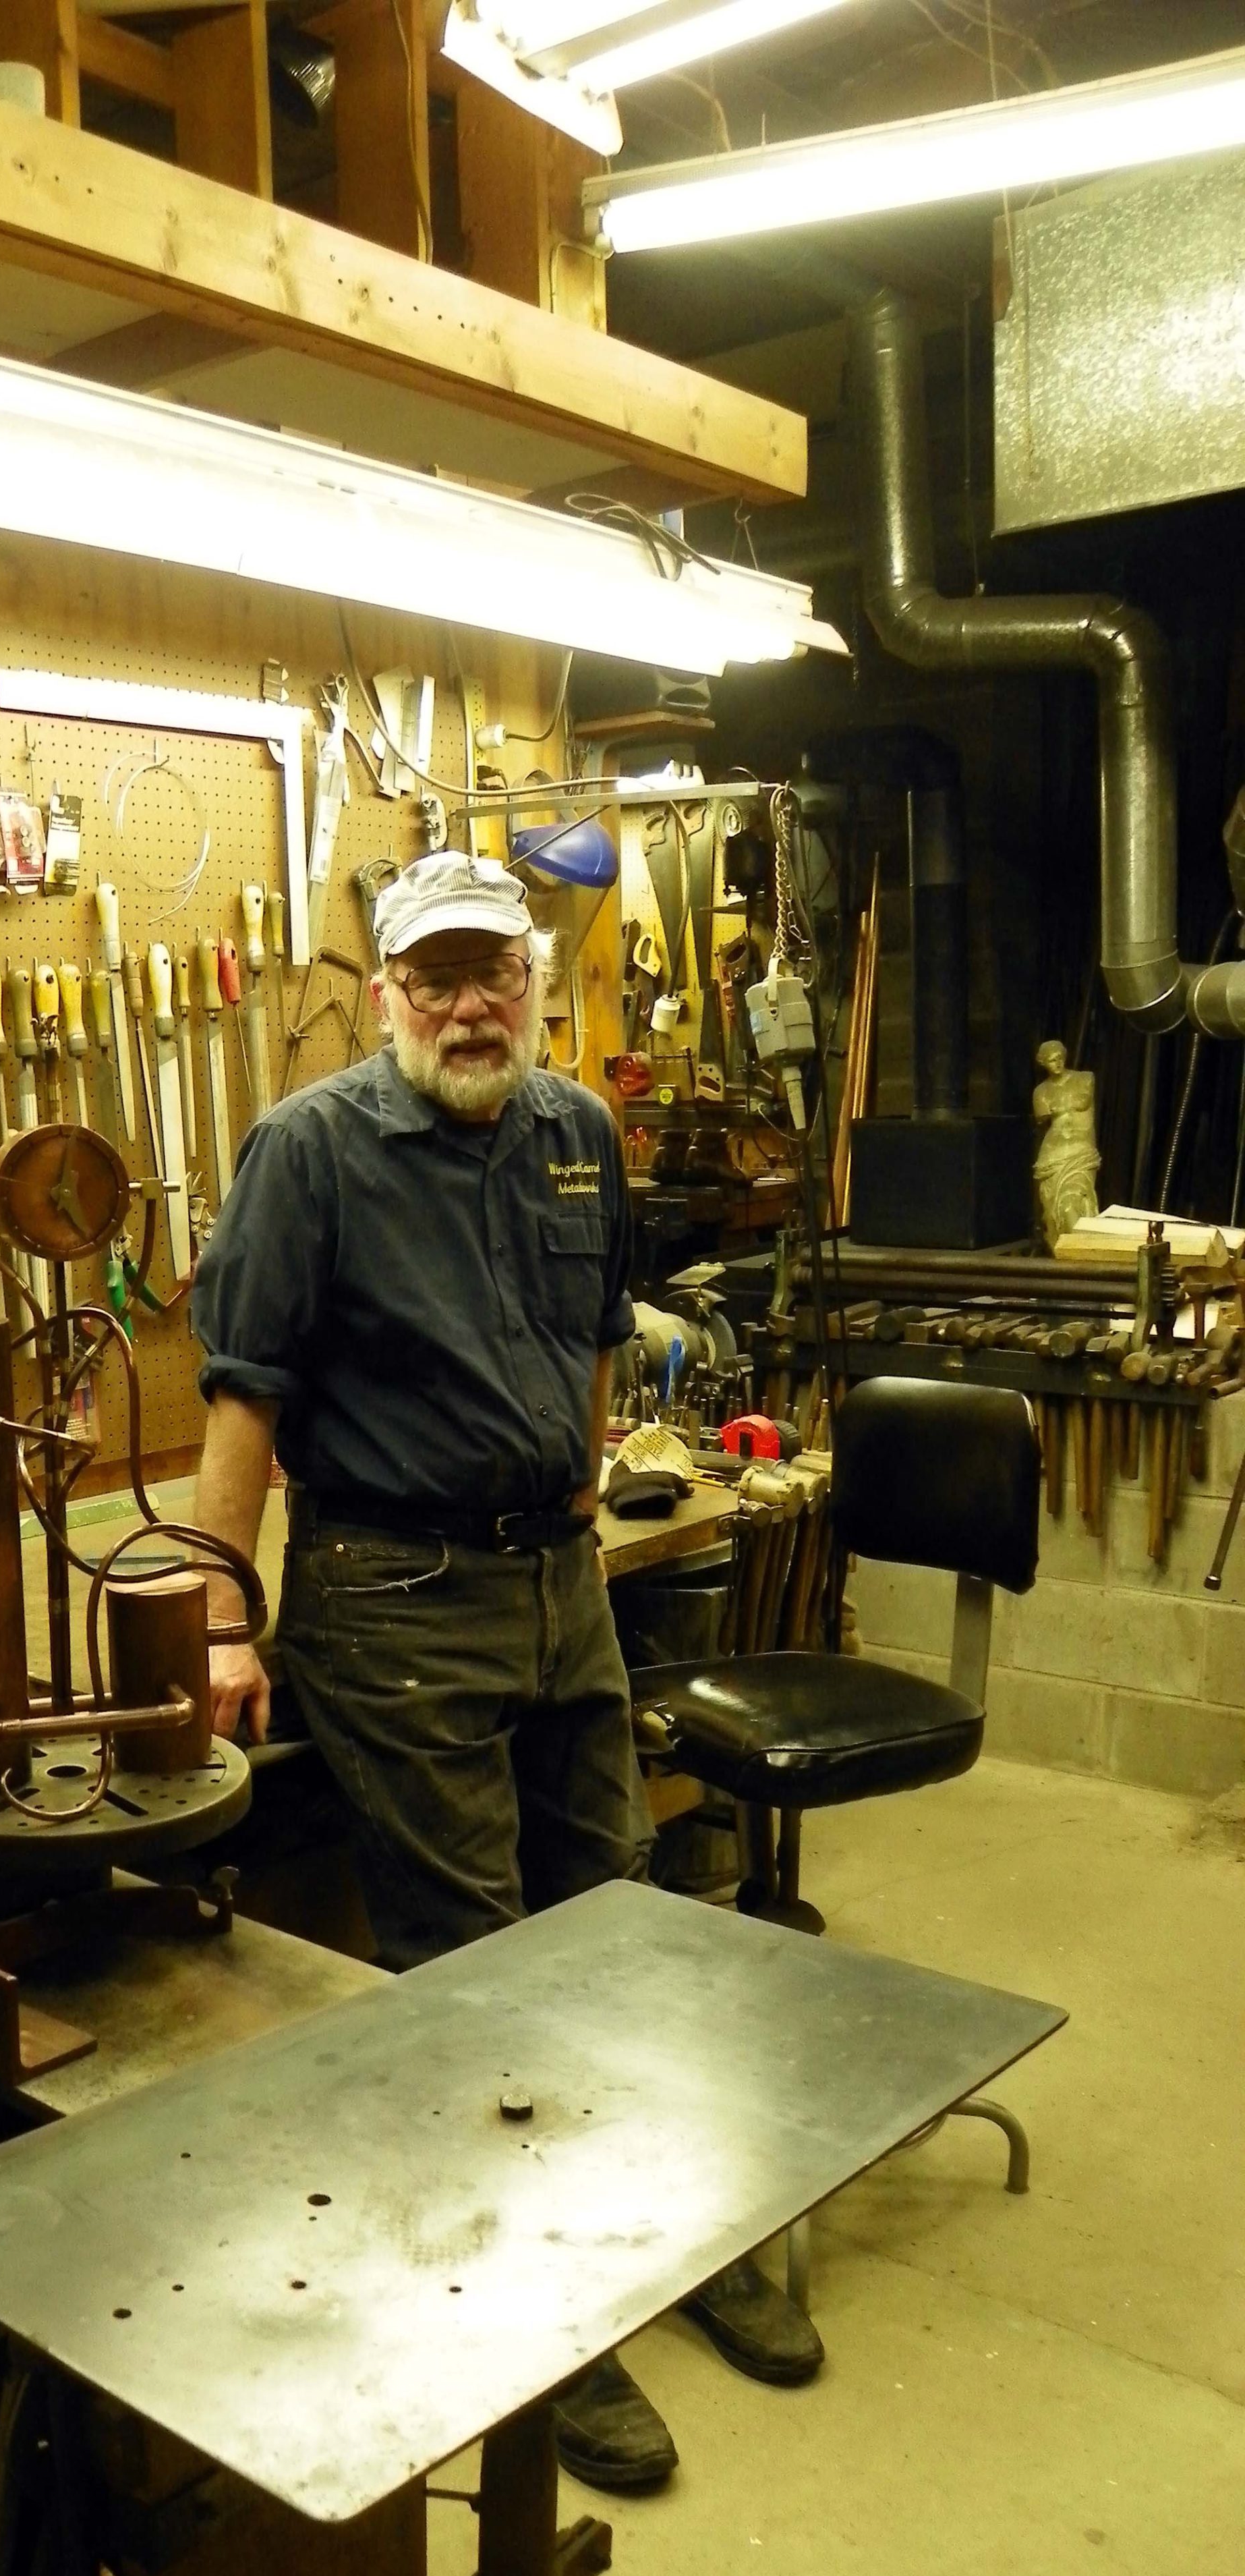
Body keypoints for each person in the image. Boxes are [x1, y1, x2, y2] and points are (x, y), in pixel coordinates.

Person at [188, 848, 823, 2492]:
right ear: (391, 989)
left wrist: (589, 1465)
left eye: (497, 973)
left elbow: (601, 1327)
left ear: (535, 983)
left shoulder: (576, 1133)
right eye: (436, 974)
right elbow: (243, 1396)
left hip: (556, 1574)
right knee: (471, 1974)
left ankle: (654, 2238)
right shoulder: (311, 1152)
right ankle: (550, 2344)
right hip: (390, 1593)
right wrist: (210, 1616)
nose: (470, 1003)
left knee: (611, 1933)